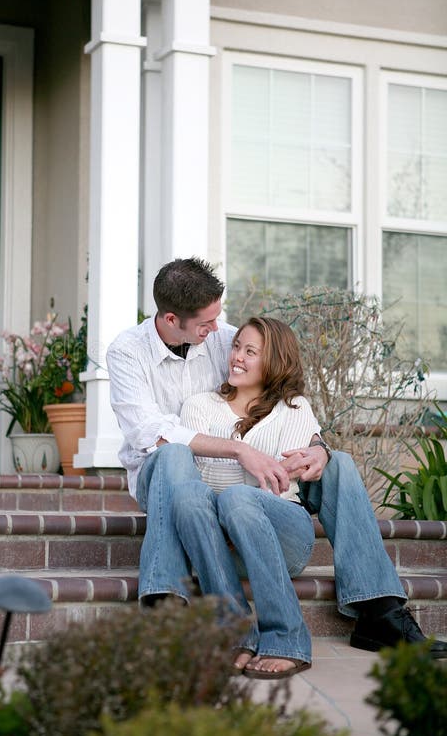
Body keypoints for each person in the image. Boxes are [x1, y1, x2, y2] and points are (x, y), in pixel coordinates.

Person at [106, 257, 447, 660]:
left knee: (337, 464)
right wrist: (239, 449)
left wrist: (317, 447)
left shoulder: (224, 339)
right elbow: (151, 433)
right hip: (162, 480)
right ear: (169, 319)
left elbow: (274, 370)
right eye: (206, 324)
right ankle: (165, 601)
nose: (220, 334)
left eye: (221, 322)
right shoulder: (127, 352)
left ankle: (379, 611)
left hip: (240, 504)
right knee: (173, 456)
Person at [176, 316, 320, 677]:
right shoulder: (199, 406)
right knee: (191, 497)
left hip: (285, 536)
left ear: (275, 361)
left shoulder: (295, 408)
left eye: (250, 351)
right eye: (236, 346)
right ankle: (236, 632)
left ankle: (287, 638)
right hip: (222, 548)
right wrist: (248, 461)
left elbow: (278, 484)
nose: (237, 356)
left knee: (237, 498)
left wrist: (237, 474)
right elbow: (198, 482)